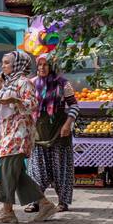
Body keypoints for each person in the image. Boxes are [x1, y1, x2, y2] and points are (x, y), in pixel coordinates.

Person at [0, 49, 57, 223]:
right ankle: (44, 204)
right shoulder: (8, 83)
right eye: (3, 62)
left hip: (18, 134)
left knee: (7, 169)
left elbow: (33, 104)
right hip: (7, 133)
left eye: (6, 62)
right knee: (16, 173)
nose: (3, 66)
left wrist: (15, 101)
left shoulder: (23, 82)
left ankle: (7, 210)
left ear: (17, 64)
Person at [27, 53, 78, 213]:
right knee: (36, 169)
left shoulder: (63, 84)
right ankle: (35, 201)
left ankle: (63, 202)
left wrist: (68, 124)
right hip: (39, 132)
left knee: (61, 168)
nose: (42, 68)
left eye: (45, 65)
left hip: (59, 132)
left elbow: (75, 106)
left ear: (52, 67)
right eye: (40, 65)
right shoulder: (32, 84)